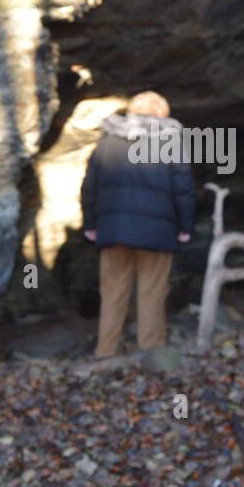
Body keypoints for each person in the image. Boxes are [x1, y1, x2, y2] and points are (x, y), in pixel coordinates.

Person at [80, 91, 196, 357]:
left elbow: (90, 187)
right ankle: (151, 352)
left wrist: (91, 224)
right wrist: (185, 228)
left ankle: (105, 351)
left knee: (112, 293)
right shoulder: (168, 143)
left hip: (114, 232)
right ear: (162, 114)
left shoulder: (108, 142)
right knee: (152, 293)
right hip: (157, 234)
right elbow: (184, 191)